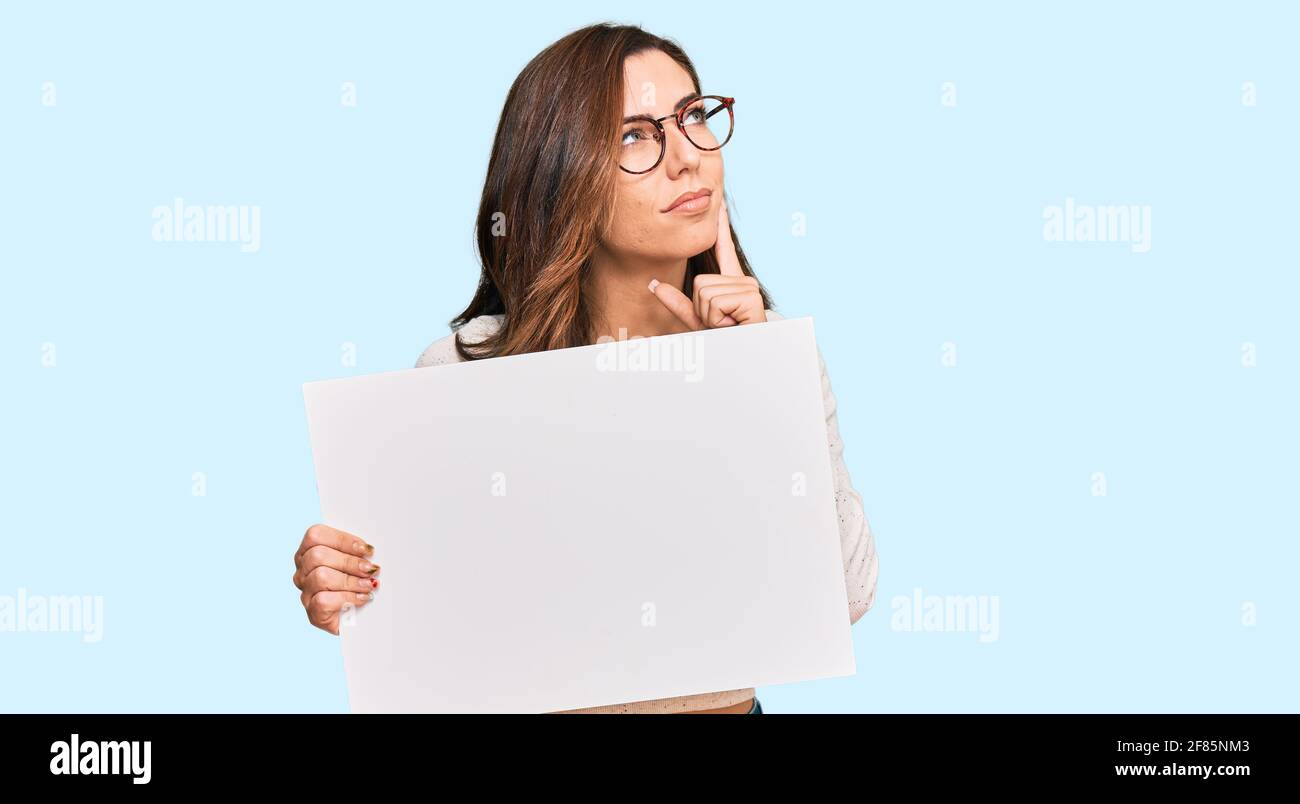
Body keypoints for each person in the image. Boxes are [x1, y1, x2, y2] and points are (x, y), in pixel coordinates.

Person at [291, 22, 879, 714]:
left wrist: (757, 380)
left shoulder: (769, 347)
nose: (686, 157)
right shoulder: (466, 369)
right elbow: (433, 615)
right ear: (563, 173)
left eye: (693, 117)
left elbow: (848, 595)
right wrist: (347, 587)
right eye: (635, 135)